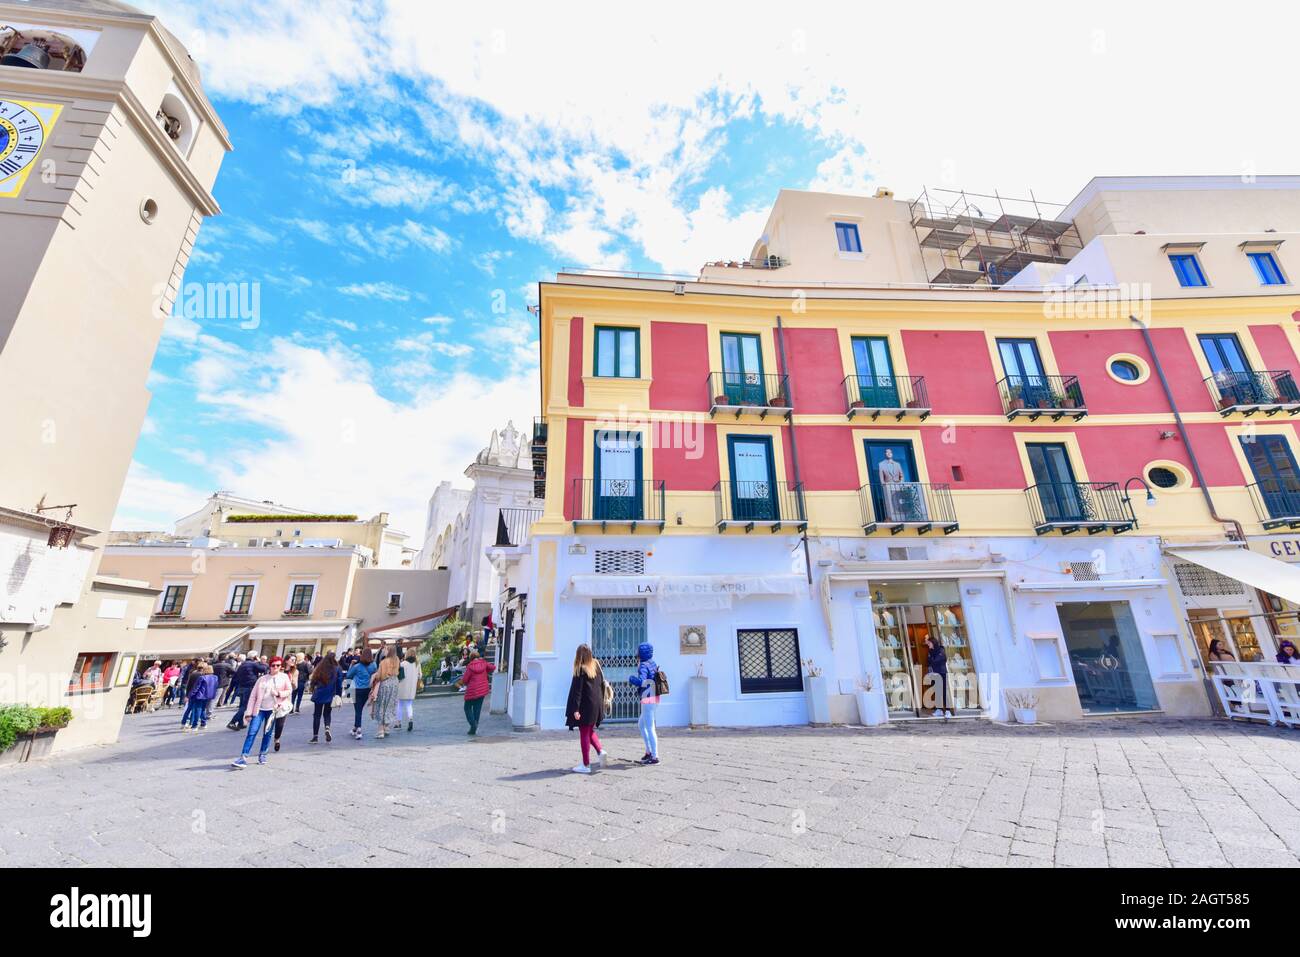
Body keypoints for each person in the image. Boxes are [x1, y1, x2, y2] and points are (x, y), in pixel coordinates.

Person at [231, 656, 294, 769]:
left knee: (267, 733)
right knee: (252, 732)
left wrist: (279, 693)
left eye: (278, 665)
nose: (275, 667)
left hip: (273, 710)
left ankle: (263, 754)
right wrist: (249, 712)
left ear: (281, 666)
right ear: (269, 666)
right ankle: (243, 757)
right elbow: (253, 697)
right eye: (273, 665)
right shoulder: (262, 679)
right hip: (259, 709)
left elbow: (289, 690)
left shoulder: (284, 677)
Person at [565, 644, 606, 774]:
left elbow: (577, 692)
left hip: (585, 706)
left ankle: (586, 764)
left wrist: (575, 709)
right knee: (589, 731)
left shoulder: (580, 670)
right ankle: (600, 751)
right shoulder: (596, 666)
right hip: (596, 705)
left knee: (584, 733)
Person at [628, 642, 660, 765]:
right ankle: (649, 752)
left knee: (650, 727)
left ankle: (655, 756)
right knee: (641, 724)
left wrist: (632, 679)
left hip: (647, 699)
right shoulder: (652, 662)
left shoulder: (643, 665)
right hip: (654, 697)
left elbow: (642, 682)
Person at [456, 648, 495, 736]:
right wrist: (486, 671)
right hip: (482, 690)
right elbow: (493, 667)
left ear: (471, 658)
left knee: (467, 708)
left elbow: (465, 680)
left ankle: (473, 725)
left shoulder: (470, 666)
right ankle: (474, 727)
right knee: (477, 709)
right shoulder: (484, 663)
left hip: (472, 690)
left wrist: (461, 682)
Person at [226, 653, 268, 731]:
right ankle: (232, 722)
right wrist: (260, 662)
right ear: (254, 657)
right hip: (248, 688)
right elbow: (263, 669)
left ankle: (240, 723)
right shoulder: (253, 664)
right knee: (245, 706)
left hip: (241, 686)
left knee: (242, 706)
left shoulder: (243, 664)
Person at [309, 653, 342, 744]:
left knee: (317, 715)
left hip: (319, 693)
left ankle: (315, 737)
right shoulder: (337, 668)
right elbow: (339, 683)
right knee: (327, 713)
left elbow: (314, 680)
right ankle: (327, 728)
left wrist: (313, 688)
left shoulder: (320, 667)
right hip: (330, 694)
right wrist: (338, 695)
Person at [346, 649, 376, 740]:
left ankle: (358, 729)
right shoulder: (374, 665)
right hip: (367, 689)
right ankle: (355, 728)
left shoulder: (357, 666)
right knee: (359, 709)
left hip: (355, 689)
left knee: (358, 709)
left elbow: (348, 676)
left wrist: (351, 665)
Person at [370, 650, 400, 739]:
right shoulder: (397, 661)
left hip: (385, 684)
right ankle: (386, 727)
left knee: (381, 705)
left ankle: (380, 731)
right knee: (390, 705)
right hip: (395, 683)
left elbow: (380, 675)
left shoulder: (383, 662)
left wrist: (375, 676)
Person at [182, 662, 218, 731]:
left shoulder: (202, 677)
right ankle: (203, 723)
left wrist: (189, 696)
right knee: (203, 710)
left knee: (197, 710)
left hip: (199, 696)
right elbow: (215, 687)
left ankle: (195, 726)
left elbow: (196, 688)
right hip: (208, 696)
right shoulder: (215, 677)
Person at [925, 634, 951, 718]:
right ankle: (939, 710)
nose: (928, 645)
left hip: (942, 673)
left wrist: (932, 660)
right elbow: (928, 662)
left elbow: (938, 660)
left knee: (943, 692)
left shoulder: (941, 649)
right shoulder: (930, 652)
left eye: (929, 643)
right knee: (937, 692)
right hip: (934, 674)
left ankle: (948, 711)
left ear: (933, 643)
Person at [396, 652, 421, 732]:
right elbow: (420, 675)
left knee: (400, 705)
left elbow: (398, 675)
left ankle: (399, 723)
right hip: (412, 688)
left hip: (402, 687)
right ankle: (410, 719)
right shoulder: (417, 664)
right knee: (409, 705)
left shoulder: (403, 663)